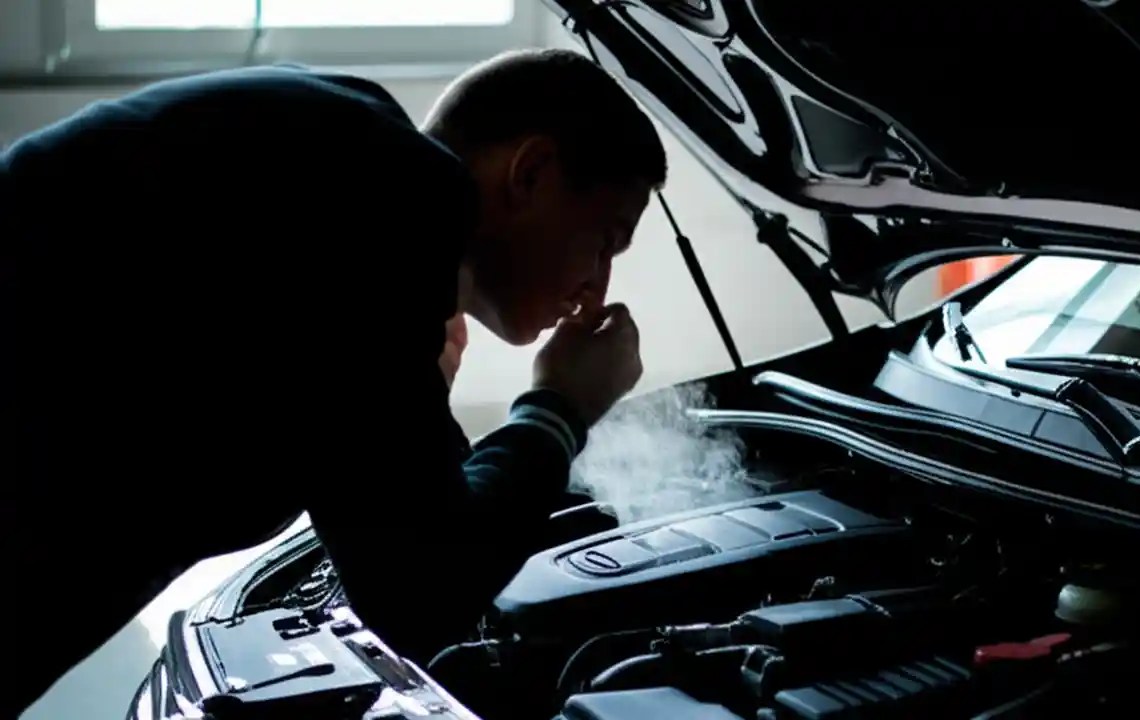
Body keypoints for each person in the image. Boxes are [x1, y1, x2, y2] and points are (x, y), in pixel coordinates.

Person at [3, 48, 666, 717]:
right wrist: (560, 408)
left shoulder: (341, 138)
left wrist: (407, 392)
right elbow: (418, 590)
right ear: (532, 172)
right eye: (604, 242)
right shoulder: (390, 198)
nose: (595, 290)